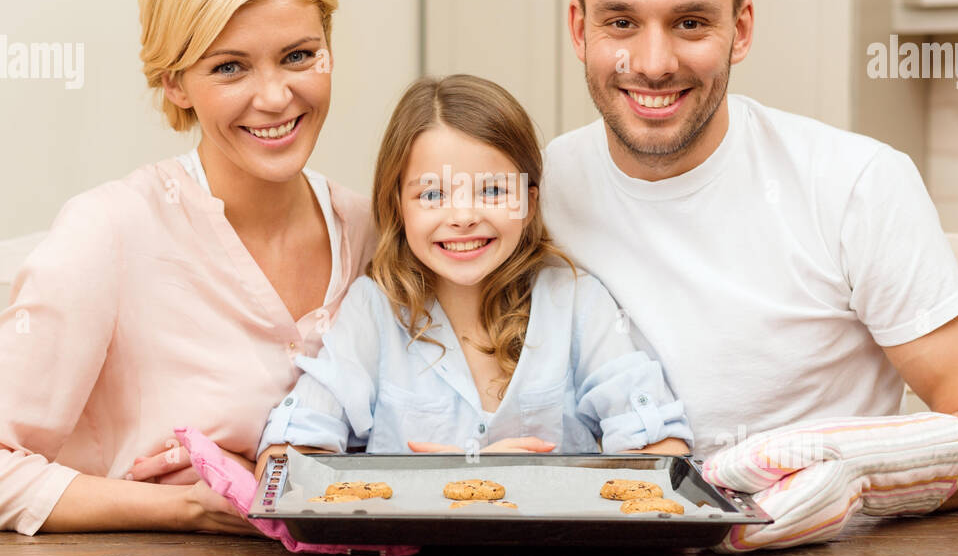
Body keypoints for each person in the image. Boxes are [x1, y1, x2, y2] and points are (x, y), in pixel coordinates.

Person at [540, 0, 958, 552]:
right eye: (621, 22)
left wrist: (849, 473)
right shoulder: (536, 191)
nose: (653, 63)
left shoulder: (855, 183)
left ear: (739, 30)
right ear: (580, 29)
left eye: (690, 22)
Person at [0, 0, 376, 538]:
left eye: (298, 56)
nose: (274, 97)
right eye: (229, 68)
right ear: (174, 82)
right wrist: (187, 507)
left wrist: (261, 474)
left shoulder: (375, 232)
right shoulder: (110, 231)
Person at [249, 74, 693, 471]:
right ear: (397, 207)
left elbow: (665, 450)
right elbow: (283, 459)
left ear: (529, 203)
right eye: (433, 194)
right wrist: (441, 479)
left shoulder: (575, 299)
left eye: (494, 190)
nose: (462, 216)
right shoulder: (374, 309)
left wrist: (543, 480)